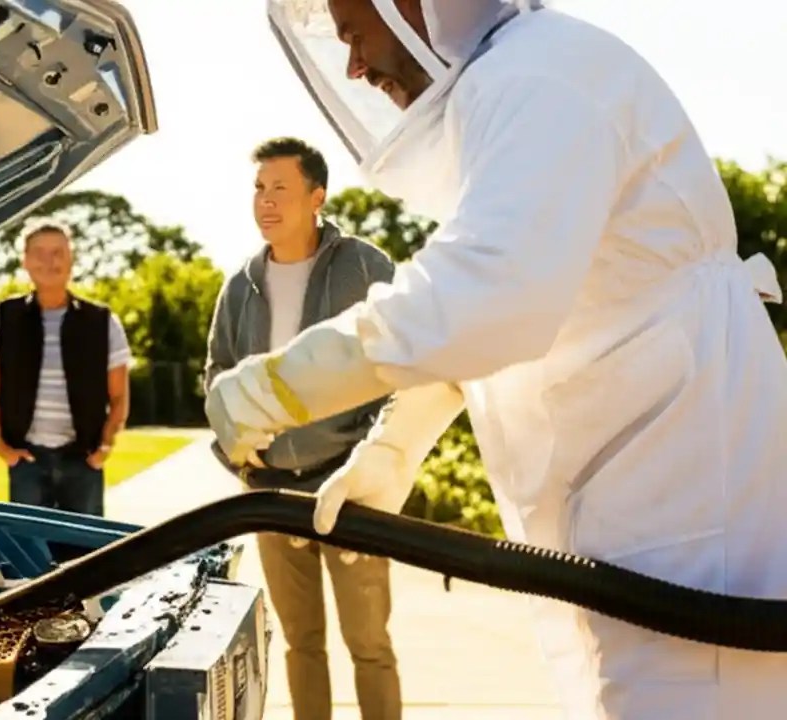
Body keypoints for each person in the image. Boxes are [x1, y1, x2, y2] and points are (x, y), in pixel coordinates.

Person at [206, 1, 787, 718]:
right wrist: (396, 445)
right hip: (647, 506)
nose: (354, 64)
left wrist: (278, 386)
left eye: (355, 31)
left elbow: (488, 292)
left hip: (686, 514)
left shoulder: (539, 76)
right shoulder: (515, 79)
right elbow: (513, 302)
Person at [204, 136, 401, 720]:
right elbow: (216, 375)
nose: (265, 201)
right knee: (301, 643)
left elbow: (403, 359)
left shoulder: (365, 266)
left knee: (369, 643)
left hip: (351, 491)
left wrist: (369, 455)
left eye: (280, 188)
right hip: (271, 494)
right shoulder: (240, 284)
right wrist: (239, 457)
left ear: (317, 197)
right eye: (259, 188)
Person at [0, 217, 131, 518]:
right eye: (40, 252)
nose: (50, 261)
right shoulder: (4, 317)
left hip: (83, 460)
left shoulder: (102, 321)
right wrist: (2, 449)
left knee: (87, 555)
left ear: (71, 259)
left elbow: (120, 396)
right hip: (27, 461)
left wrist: (105, 447)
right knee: (30, 556)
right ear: (25, 261)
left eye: (58, 251)